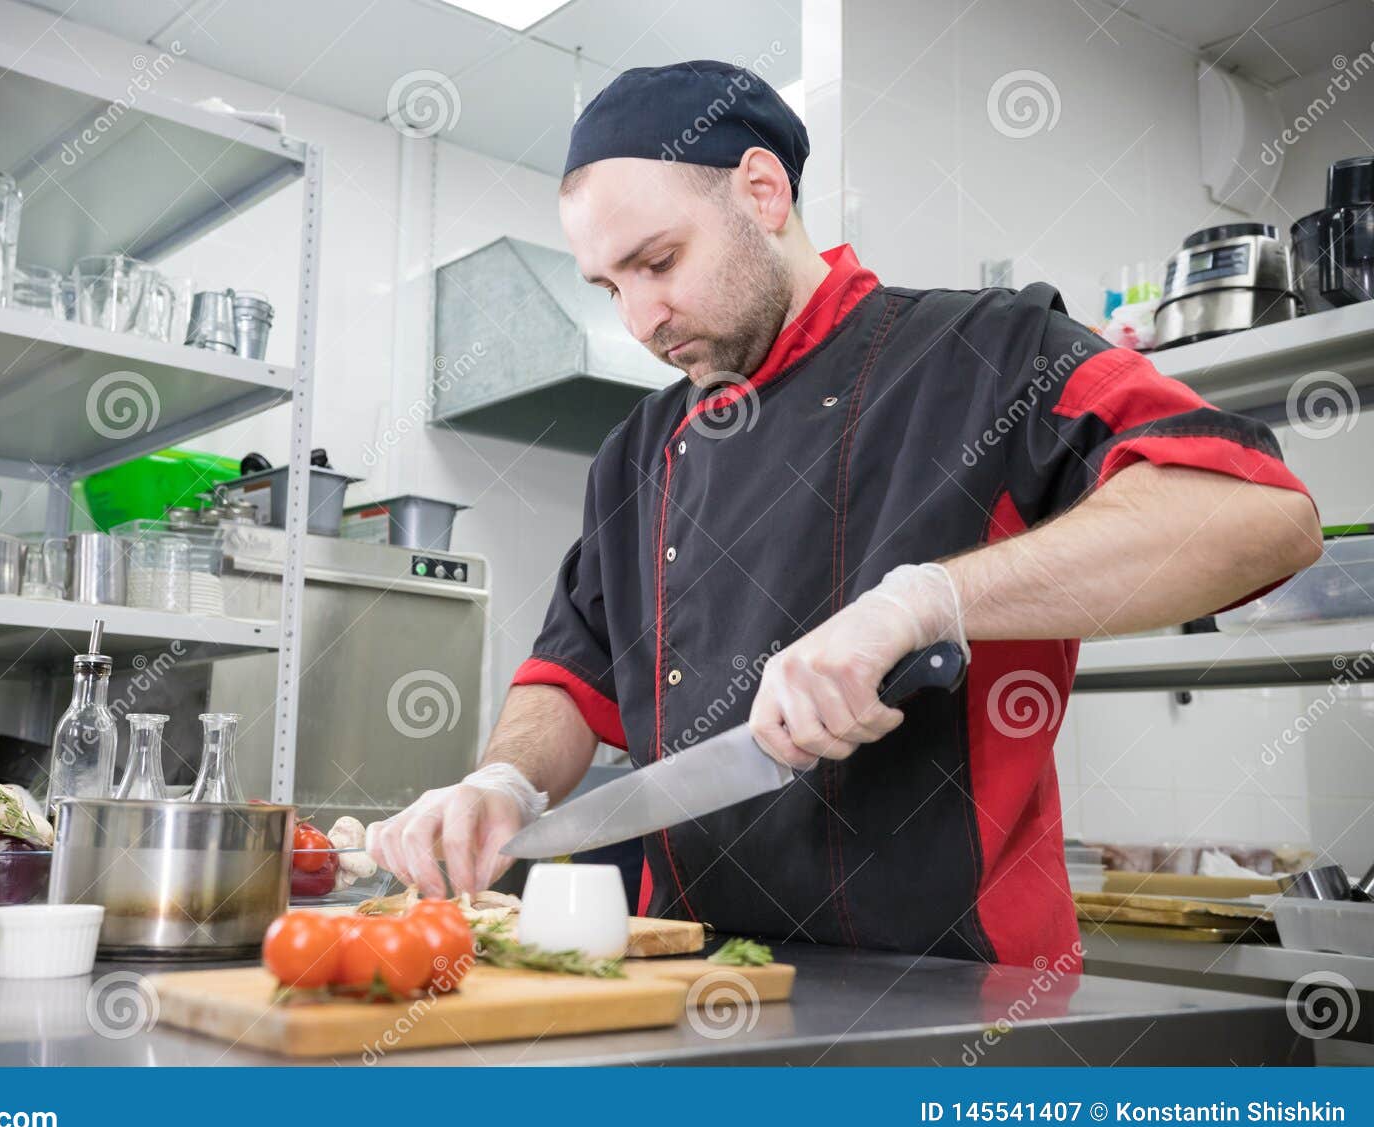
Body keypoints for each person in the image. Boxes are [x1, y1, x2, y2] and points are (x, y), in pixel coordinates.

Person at [368, 61, 1321, 968]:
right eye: (610, 287)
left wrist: (925, 601)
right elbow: (570, 676)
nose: (642, 319)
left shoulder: (984, 351)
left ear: (761, 191)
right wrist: (506, 782)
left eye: (658, 262)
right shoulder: (637, 450)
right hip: (687, 981)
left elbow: (1255, 515)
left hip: (961, 993)